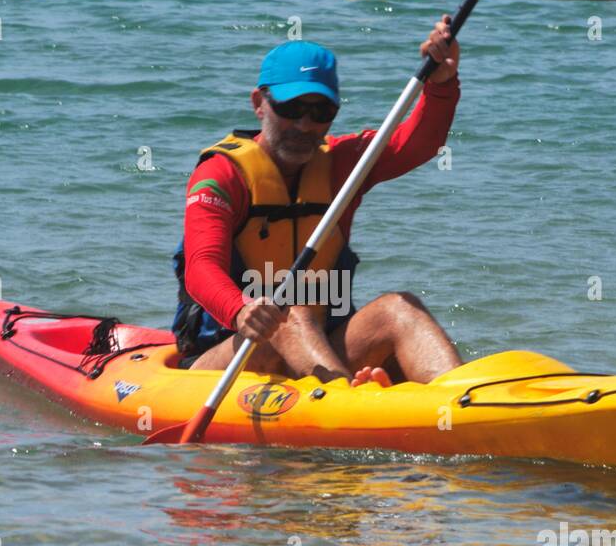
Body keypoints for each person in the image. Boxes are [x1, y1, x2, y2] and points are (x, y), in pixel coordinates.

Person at [171, 20, 464, 387]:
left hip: (322, 348)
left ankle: (463, 405)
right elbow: (201, 268)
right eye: (292, 108)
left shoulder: (341, 165)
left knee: (400, 308)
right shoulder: (222, 176)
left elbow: (417, 143)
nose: (305, 125)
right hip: (228, 356)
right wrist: (240, 310)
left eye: (321, 112)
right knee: (288, 312)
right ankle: (352, 408)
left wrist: (440, 84)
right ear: (259, 104)